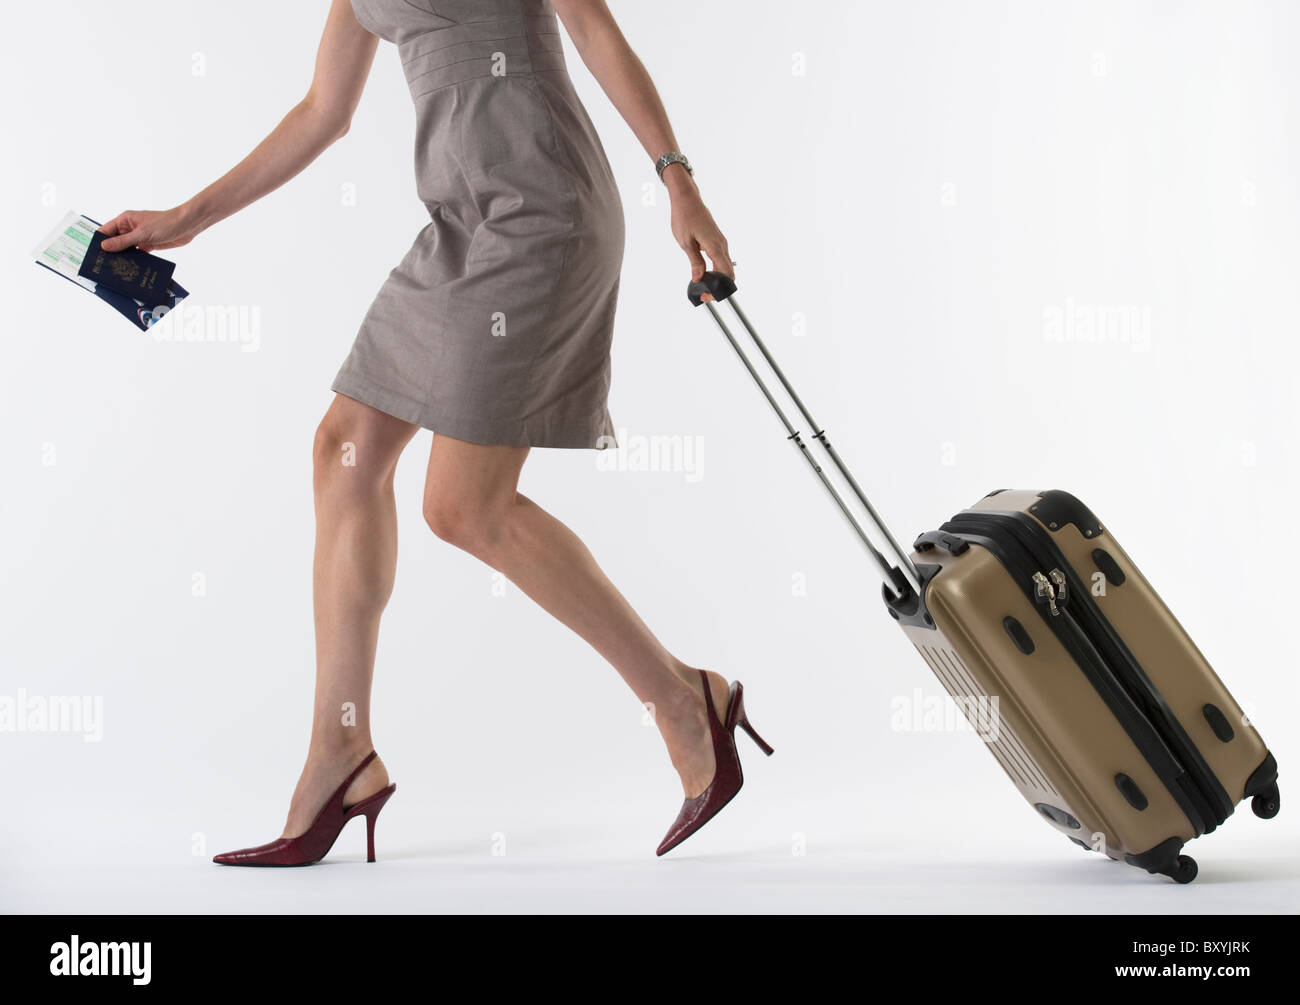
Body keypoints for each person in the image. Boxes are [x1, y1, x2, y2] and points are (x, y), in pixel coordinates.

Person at [99, 0, 771, 866]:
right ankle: (341, 755)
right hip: (458, 228)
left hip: (544, 217)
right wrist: (189, 217)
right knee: (342, 451)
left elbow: (592, 25)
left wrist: (678, 178)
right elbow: (323, 112)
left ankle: (685, 700)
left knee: (463, 507)